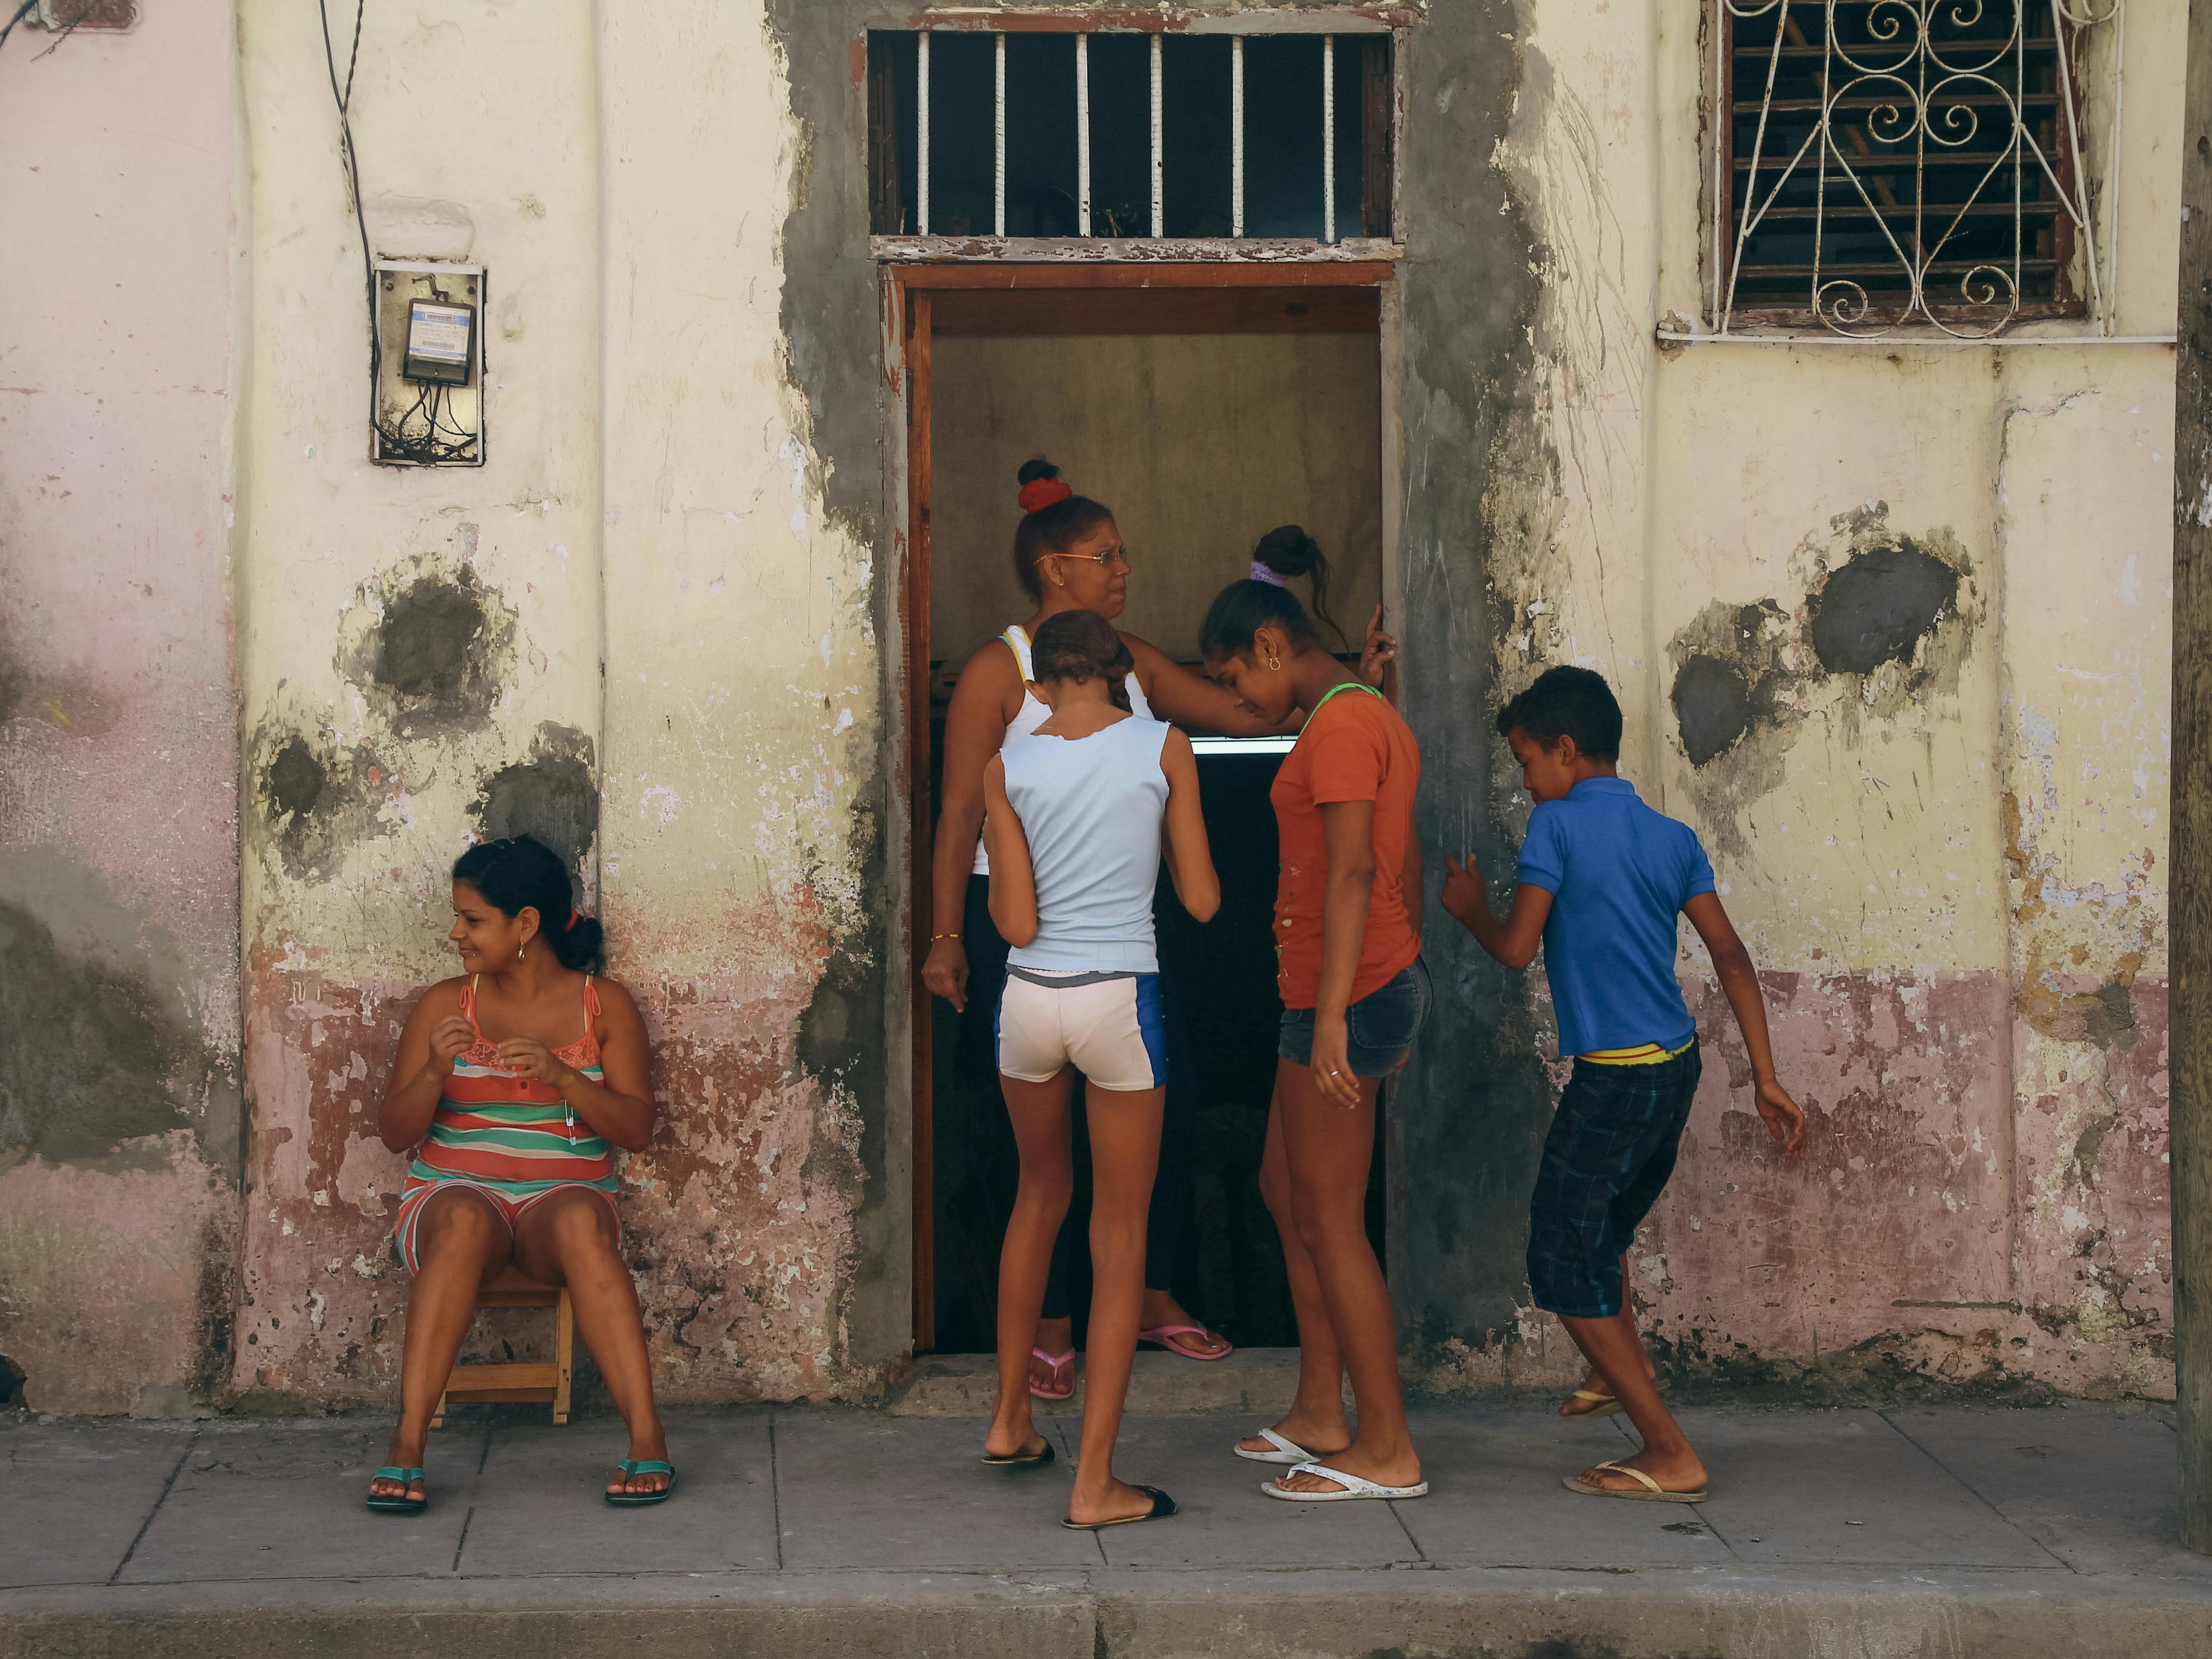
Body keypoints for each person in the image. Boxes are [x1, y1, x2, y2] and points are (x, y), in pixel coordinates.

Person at [929, 458, 1282, 1395]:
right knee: (1028, 1145)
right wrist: (942, 938)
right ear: (1055, 569)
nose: (1122, 569)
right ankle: (1048, 1318)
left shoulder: (1123, 661)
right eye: (1106, 555)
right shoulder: (995, 672)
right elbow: (958, 814)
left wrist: (1334, 684)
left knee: (1166, 1109)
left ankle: (1156, 1292)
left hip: (1122, 923)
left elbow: (1244, 713)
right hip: (1010, 926)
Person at [1439, 665, 1806, 1503]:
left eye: (1528, 762)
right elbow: (1732, 958)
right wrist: (1767, 1079)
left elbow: (1514, 947)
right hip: (1674, 1070)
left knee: (1561, 1259)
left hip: (1612, 1081)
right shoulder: (1672, 838)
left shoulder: (1556, 829)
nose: (1527, 781)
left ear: (1566, 753)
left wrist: (1467, 908)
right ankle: (1614, 1374)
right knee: (1598, 1235)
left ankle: (1668, 1449)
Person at [978, 609, 1220, 1529]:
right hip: (1120, 1000)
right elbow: (1199, 901)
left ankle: (1009, 1421)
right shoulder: (1165, 748)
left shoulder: (1007, 766)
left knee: (1037, 1197)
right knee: (1119, 1235)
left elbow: (1014, 923)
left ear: (1038, 686)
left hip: (1029, 1001)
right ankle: (1096, 1484)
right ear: (1122, 671)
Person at [1199, 578, 1431, 1503]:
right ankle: (1319, 1412)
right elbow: (1393, 855)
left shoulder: (1338, 726)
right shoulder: (1359, 712)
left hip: (1343, 989)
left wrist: (1335, 1015)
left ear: (1268, 644)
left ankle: (1385, 1448)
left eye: (1230, 679)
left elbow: (1353, 870)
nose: (1232, 702)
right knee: (1282, 1187)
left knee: (1332, 1219)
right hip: (1347, 985)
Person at [366, 835, 673, 1513]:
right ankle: (407, 1443)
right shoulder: (447, 1003)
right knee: (465, 1220)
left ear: (525, 924)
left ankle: (648, 1437)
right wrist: (434, 1072)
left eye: (473, 920)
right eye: (459, 917)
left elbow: (636, 1131)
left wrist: (565, 1075)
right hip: (451, 1197)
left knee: (579, 1223)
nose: (457, 933)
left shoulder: (604, 1006)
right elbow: (396, 1134)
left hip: (559, 1202)